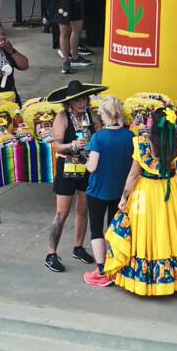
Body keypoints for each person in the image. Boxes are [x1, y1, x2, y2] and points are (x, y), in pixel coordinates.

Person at [103, 106, 177, 296]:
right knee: (172, 232)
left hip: (145, 194)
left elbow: (133, 175)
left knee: (146, 233)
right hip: (172, 192)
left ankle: (147, 280)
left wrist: (124, 197)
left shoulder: (143, 144)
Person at [44, 80, 105, 272]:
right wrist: (72, 146)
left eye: (85, 98)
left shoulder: (92, 115)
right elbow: (57, 145)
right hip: (67, 167)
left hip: (86, 166)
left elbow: (100, 135)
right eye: (79, 100)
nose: (83, 102)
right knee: (61, 213)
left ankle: (78, 247)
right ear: (70, 102)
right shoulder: (62, 118)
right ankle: (51, 253)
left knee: (83, 208)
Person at [82, 96, 135, 287]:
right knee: (115, 230)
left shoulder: (99, 138)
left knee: (97, 230)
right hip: (120, 192)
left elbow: (92, 167)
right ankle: (117, 266)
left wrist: (85, 161)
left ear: (104, 115)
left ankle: (102, 270)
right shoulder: (130, 136)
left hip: (97, 191)